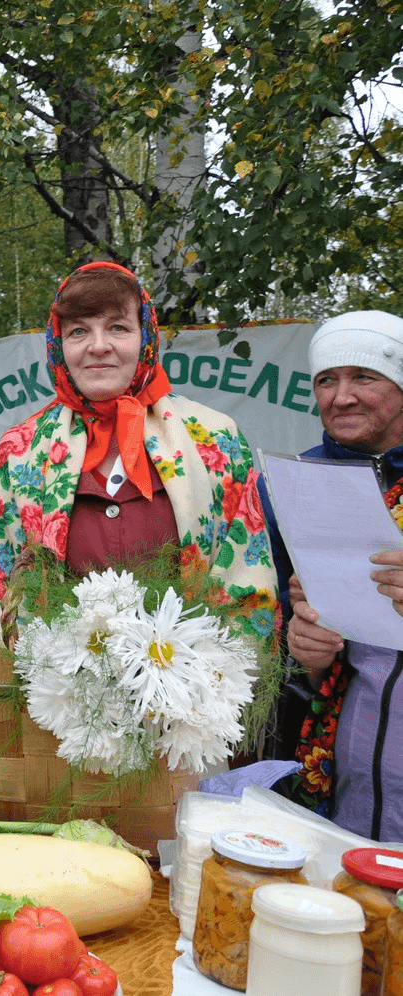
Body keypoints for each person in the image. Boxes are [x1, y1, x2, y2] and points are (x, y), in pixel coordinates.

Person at [0, 261, 278, 645]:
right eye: (79, 331)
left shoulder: (215, 440)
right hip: (50, 695)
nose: (99, 346)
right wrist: (22, 684)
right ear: (58, 345)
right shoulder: (16, 452)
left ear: (146, 338)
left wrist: (209, 686)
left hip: (192, 693)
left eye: (118, 327)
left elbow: (246, 577)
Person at [268, 310, 403, 842]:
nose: (341, 396)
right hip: (332, 783)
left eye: (364, 377)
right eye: (326, 379)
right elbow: (273, 623)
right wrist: (300, 649)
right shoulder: (291, 483)